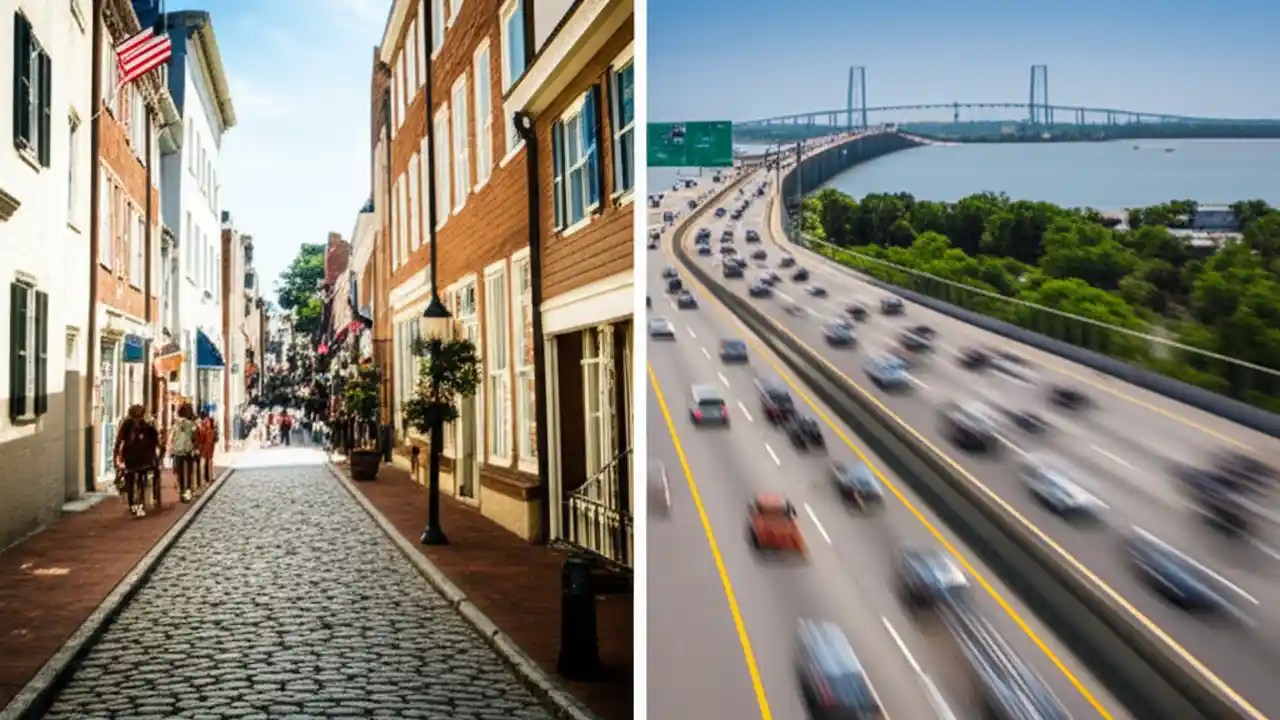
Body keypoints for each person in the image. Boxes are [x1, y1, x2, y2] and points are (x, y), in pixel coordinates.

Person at [113, 404, 161, 518]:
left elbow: (154, 439)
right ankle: (133, 504)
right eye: (136, 416)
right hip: (131, 456)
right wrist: (116, 454)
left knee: (139, 480)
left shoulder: (146, 426)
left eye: (139, 416)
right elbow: (120, 440)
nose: (138, 419)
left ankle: (138, 503)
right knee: (131, 480)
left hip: (141, 457)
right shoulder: (128, 425)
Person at [169, 403, 199, 502]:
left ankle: (182, 491)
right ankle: (188, 490)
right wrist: (195, 447)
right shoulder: (191, 424)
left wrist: (171, 448)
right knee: (189, 471)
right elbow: (195, 437)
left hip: (177, 450)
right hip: (187, 450)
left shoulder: (175, 424)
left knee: (180, 472)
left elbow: (171, 437)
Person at [195, 409, 218, 487]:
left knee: (207, 462)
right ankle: (209, 477)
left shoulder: (204, 424)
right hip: (207, 445)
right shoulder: (204, 423)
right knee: (208, 462)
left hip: (207, 445)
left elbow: (202, 435)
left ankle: (208, 478)